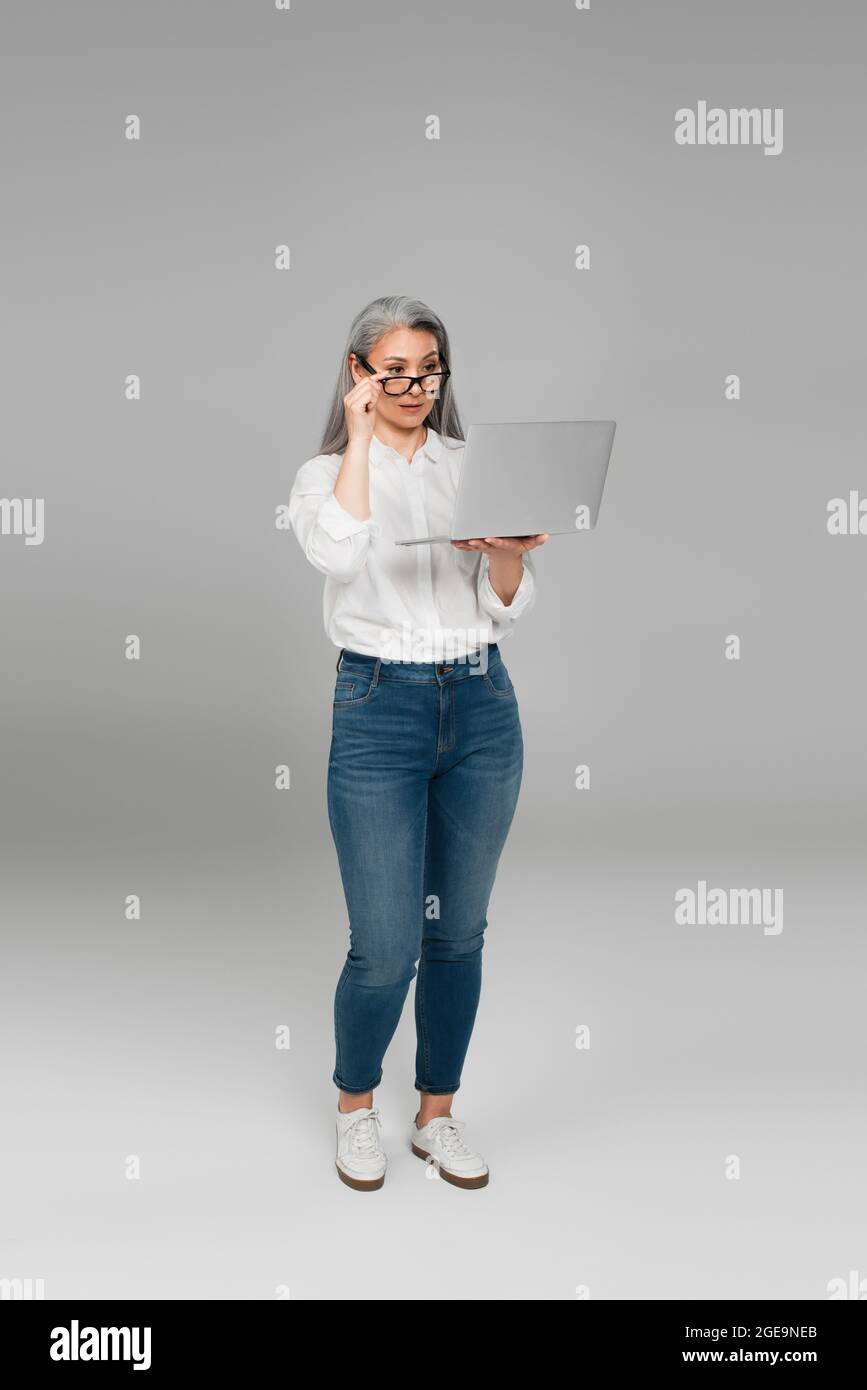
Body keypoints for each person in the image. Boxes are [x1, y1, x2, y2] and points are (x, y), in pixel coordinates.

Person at [288, 294, 547, 1190]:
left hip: (479, 704)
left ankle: (437, 1115)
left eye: (428, 370)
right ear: (359, 374)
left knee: (459, 932)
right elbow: (335, 555)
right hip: (378, 705)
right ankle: (355, 1107)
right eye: (394, 370)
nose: (414, 386)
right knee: (386, 943)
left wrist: (510, 551)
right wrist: (360, 440)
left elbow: (503, 605)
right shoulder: (324, 474)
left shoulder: (473, 465)